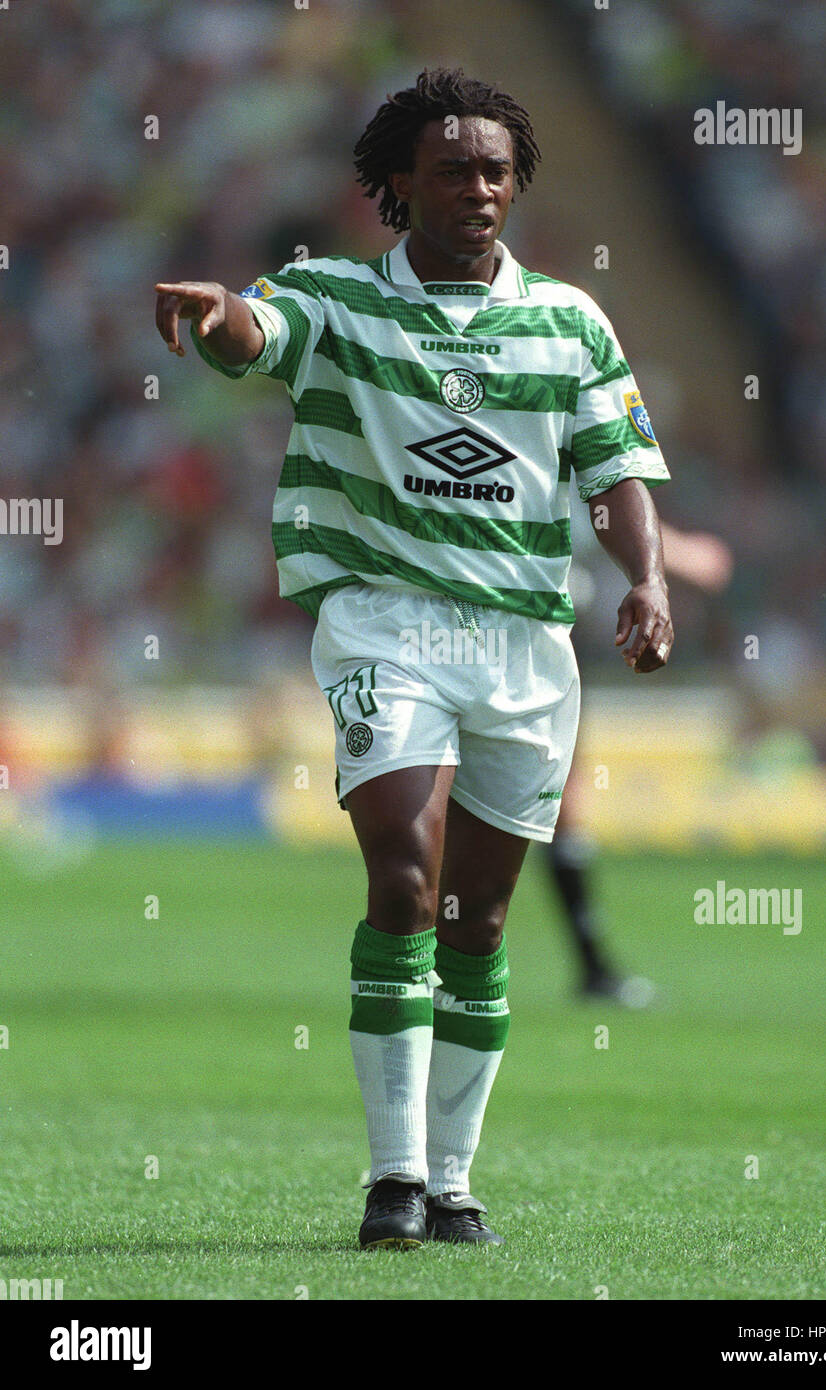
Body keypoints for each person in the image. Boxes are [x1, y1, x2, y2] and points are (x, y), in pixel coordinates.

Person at [153, 67, 673, 1250]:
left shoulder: (571, 320)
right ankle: (391, 1177)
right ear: (399, 184)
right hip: (388, 622)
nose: (479, 188)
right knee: (404, 869)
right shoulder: (338, 298)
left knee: (478, 922)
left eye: (496, 170)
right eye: (453, 170)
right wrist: (219, 311)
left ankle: (453, 1181)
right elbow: (257, 331)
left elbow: (617, 466)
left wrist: (643, 578)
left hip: (525, 645)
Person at [549, 524, 733, 1001]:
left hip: (536, 636)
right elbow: (597, 502)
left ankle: (590, 966)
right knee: (559, 800)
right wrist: (684, 552)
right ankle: (590, 966)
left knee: (558, 801)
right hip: (528, 637)